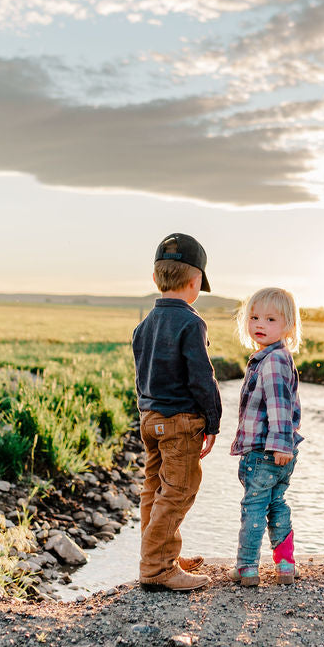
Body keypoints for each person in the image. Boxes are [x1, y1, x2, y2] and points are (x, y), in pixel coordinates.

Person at [132, 233, 222, 592]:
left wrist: (146, 412)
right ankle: (157, 567)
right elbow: (202, 378)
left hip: (150, 417)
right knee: (180, 490)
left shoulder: (144, 325)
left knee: (154, 490)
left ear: (156, 278)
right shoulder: (191, 323)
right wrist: (212, 420)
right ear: (195, 281)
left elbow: (142, 376)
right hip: (180, 422)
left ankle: (163, 554)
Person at [229, 287, 304, 586]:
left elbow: (278, 406)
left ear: (288, 326)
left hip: (265, 451)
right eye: (255, 317)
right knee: (276, 503)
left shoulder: (271, 362)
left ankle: (246, 566)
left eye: (271, 319)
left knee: (254, 506)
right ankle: (285, 564)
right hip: (280, 451)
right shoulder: (277, 357)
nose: (260, 324)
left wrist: (280, 444)